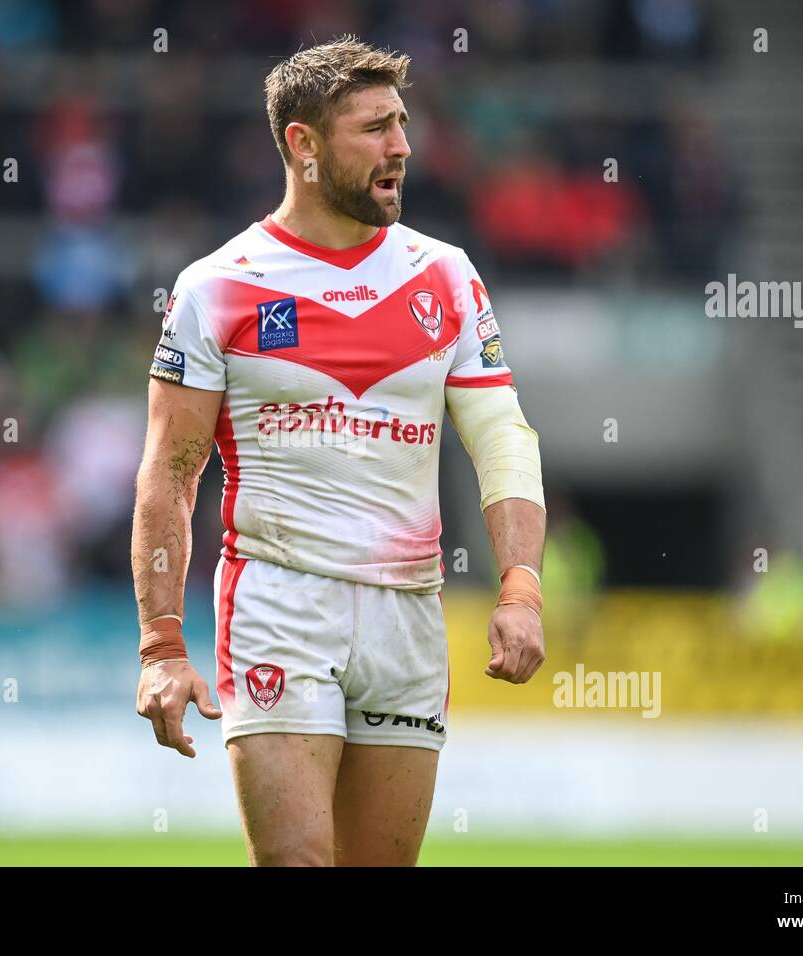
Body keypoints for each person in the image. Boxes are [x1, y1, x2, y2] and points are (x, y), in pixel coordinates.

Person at [130, 36, 547, 866]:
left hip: (407, 612)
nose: (402, 146)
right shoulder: (218, 285)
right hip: (279, 601)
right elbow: (171, 474)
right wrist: (163, 646)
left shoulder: (447, 274)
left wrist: (521, 588)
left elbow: (502, 437)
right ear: (303, 145)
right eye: (374, 129)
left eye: (401, 123)